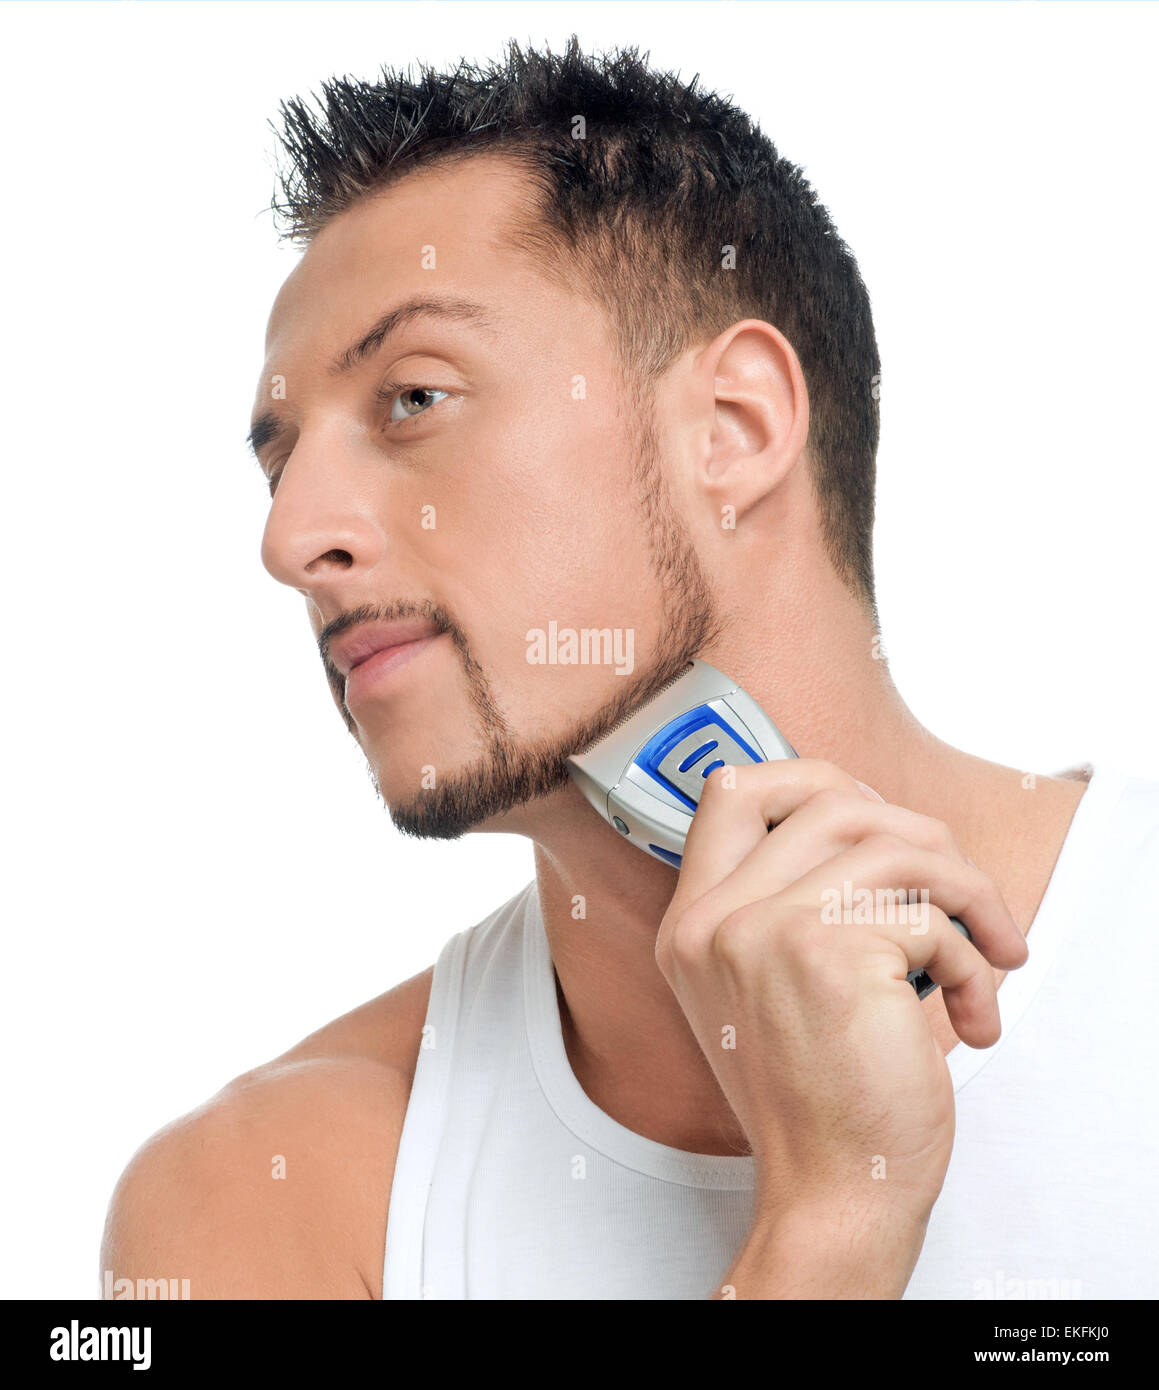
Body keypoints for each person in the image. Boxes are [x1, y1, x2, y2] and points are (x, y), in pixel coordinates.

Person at [101, 36, 1159, 1300]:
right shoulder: (258, 1200)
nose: (289, 540)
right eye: (280, 465)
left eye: (413, 398)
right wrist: (829, 1227)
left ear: (734, 429)